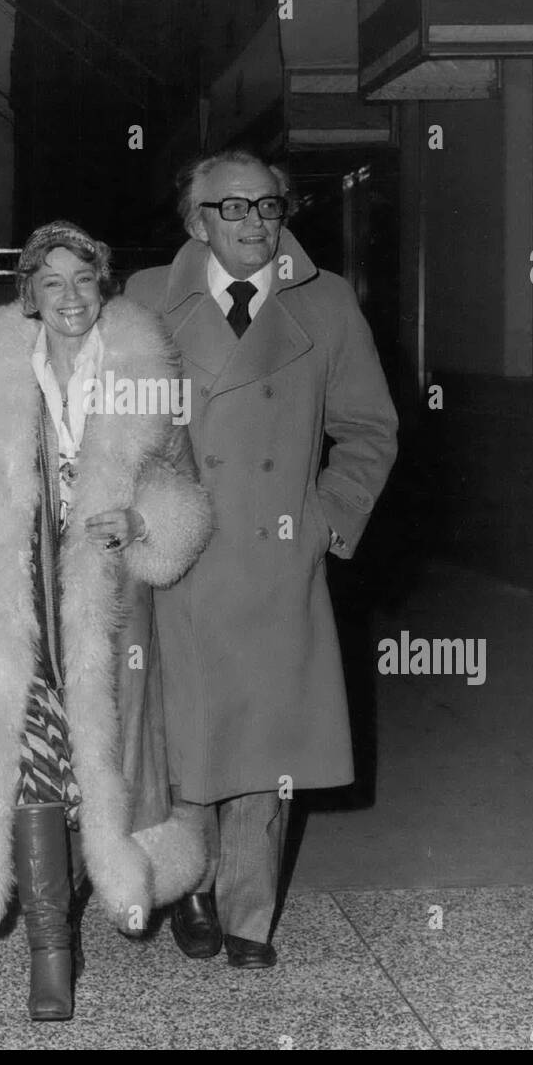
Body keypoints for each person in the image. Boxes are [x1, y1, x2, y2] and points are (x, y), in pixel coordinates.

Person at [0, 221, 212, 1021]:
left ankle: (96, 895)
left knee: (100, 763)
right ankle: (50, 954)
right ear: (28, 292)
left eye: (85, 281)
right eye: (52, 282)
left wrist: (140, 524)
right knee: (23, 764)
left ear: (103, 287)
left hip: (105, 614)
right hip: (12, 605)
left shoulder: (143, 368)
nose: (70, 298)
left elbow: (178, 481)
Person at [125, 150, 398, 969]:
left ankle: (248, 911)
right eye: (232, 207)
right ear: (195, 221)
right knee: (193, 735)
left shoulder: (329, 302)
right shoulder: (145, 299)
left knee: (267, 742)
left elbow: (370, 429)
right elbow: (108, 419)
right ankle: (193, 886)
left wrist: (322, 520)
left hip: (279, 553)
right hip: (183, 552)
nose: (254, 222)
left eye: (269, 206)